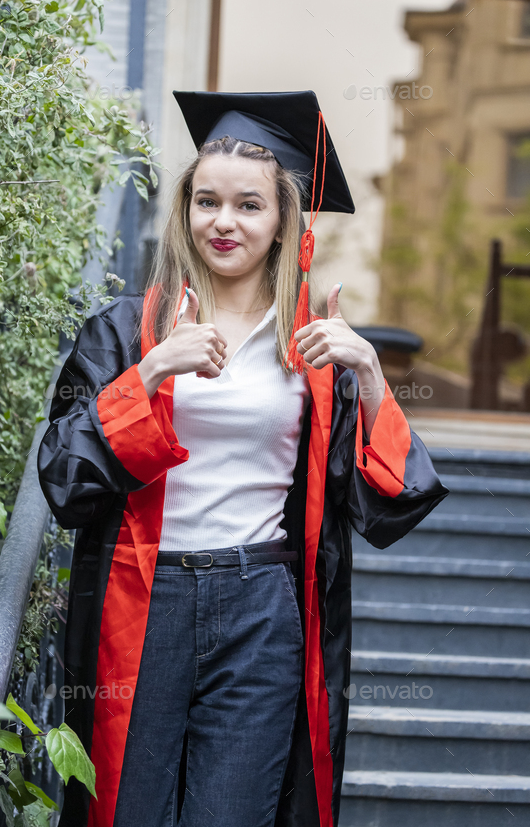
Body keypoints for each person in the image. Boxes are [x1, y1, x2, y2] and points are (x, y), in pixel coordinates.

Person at [37, 90, 448, 827]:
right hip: (145, 603)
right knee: (124, 810)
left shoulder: (314, 351)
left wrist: (372, 376)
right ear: (185, 210)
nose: (222, 221)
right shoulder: (127, 330)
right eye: (206, 201)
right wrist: (152, 372)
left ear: (286, 220)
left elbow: (387, 507)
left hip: (260, 607)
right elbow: (64, 478)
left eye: (249, 205)